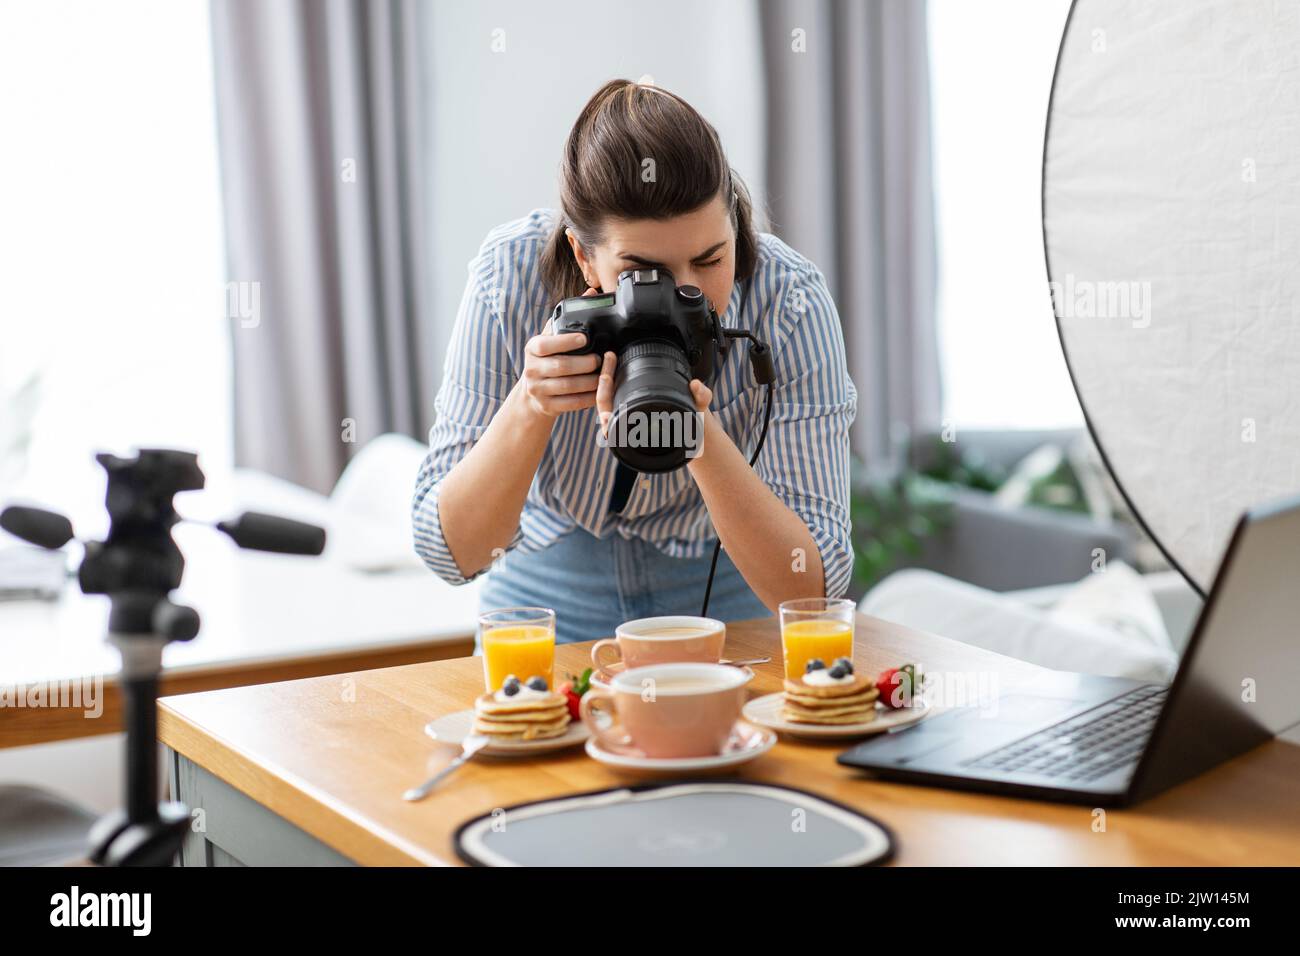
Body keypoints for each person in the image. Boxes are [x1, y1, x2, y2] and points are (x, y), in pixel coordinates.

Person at [413, 79, 857, 644]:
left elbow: (811, 592)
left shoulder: (787, 302)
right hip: (548, 586)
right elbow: (450, 555)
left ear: (735, 227)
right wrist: (529, 404)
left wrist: (698, 434)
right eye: (645, 273)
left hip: (725, 578)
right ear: (583, 257)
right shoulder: (511, 280)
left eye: (711, 260)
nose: (686, 294)